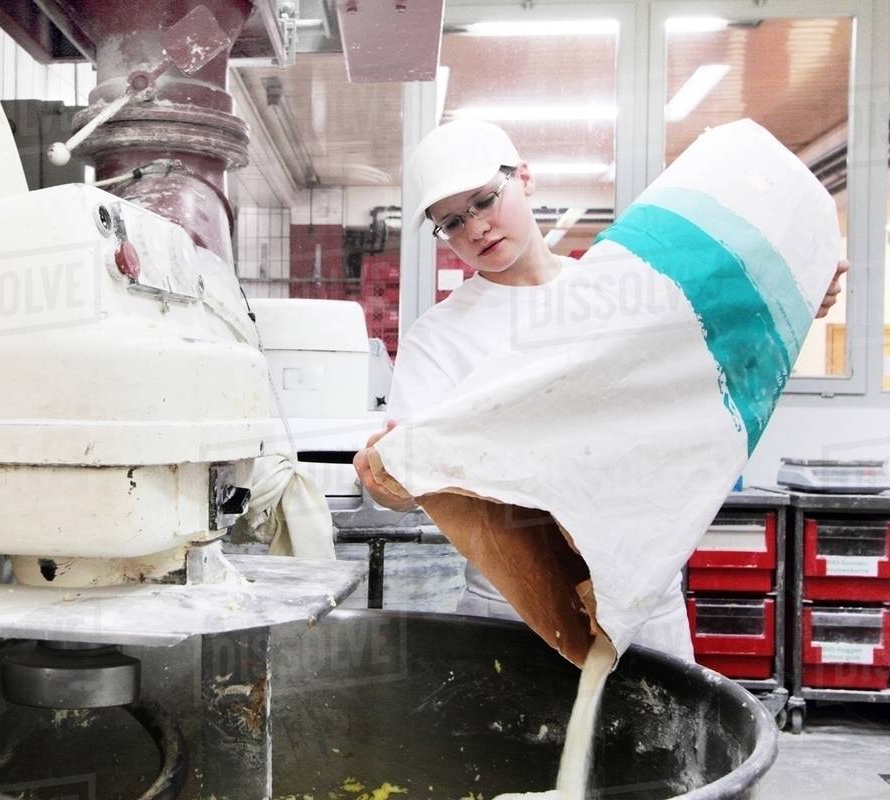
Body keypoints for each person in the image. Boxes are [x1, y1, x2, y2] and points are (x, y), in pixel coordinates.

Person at [352, 119, 847, 660]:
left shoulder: (622, 292)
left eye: (485, 201)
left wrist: (797, 297)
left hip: (639, 599)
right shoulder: (439, 338)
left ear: (525, 178)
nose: (475, 229)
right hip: (512, 610)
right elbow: (404, 481)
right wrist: (387, 484)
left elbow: (708, 358)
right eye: (451, 222)